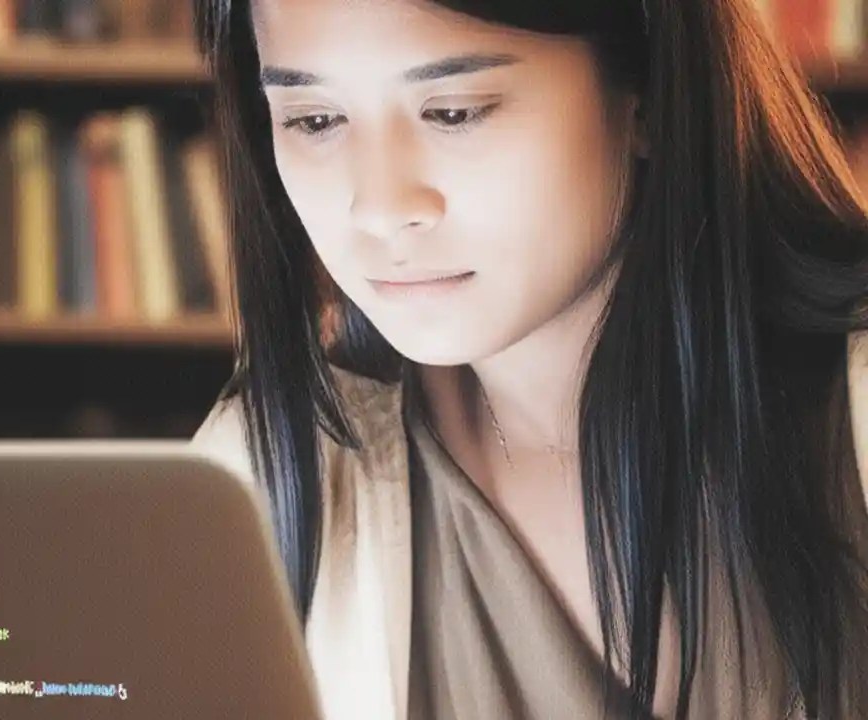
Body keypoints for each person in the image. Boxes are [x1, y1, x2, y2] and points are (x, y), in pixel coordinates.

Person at [189, 0, 868, 718]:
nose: (380, 209)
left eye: (453, 112)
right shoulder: (256, 479)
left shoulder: (847, 408)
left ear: (646, 91)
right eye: (315, 120)